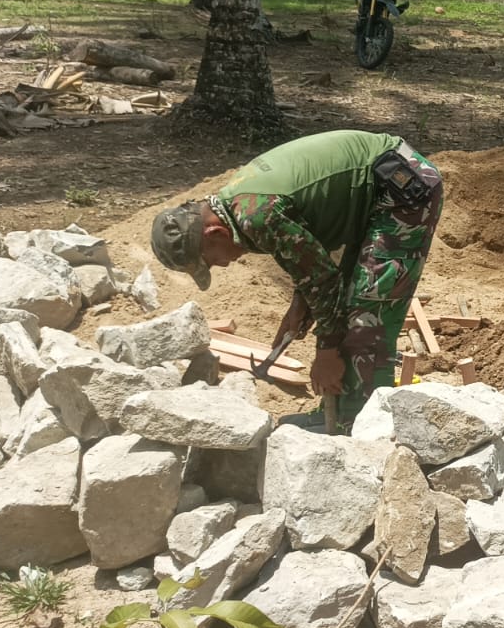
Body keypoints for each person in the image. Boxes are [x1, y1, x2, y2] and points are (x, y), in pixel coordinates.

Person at [150, 129, 443, 427]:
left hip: (403, 190)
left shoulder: (258, 216)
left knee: (369, 314)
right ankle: (340, 409)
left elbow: (325, 280)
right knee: (348, 305)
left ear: (214, 233)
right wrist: (299, 305)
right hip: (377, 190)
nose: (222, 265)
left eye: (212, 260)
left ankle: (362, 423)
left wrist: (326, 352)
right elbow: (310, 257)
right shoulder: (238, 205)